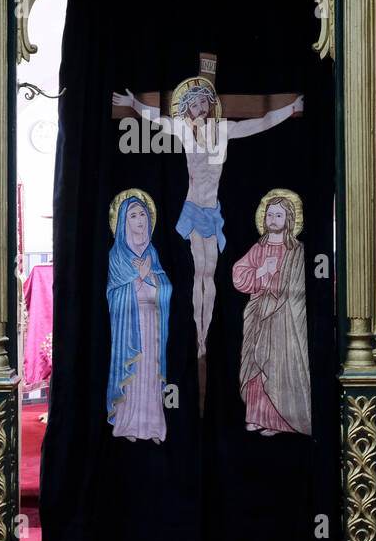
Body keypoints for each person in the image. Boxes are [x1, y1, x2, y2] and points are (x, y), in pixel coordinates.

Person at [111, 80, 303, 359]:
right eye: (194, 103)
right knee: (197, 274)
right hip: (193, 207)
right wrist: (134, 104)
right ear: (186, 108)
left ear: (210, 105)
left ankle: (204, 334)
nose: (200, 107)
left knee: (209, 274)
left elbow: (262, 122)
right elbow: (156, 117)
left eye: (204, 102)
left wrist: (291, 109)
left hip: (211, 212)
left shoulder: (223, 130)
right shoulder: (183, 131)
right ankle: (198, 331)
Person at [232, 191, 311, 436]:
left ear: (289, 219)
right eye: (269, 214)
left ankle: (281, 420)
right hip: (259, 315)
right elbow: (239, 274)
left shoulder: (297, 251)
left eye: (279, 215)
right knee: (256, 364)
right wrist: (260, 272)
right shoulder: (259, 248)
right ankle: (256, 417)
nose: (273, 219)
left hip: (284, 318)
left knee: (279, 366)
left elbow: (300, 286)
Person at [106, 192, 172, 443]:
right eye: (133, 216)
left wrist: (151, 280)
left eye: (143, 214)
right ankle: (129, 425)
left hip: (152, 323)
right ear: (124, 223)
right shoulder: (117, 256)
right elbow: (113, 294)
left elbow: (165, 289)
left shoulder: (152, 254)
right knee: (134, 373)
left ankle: (153, 426)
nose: (140, 220)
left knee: (151, 374)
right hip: (129, 327)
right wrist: (139, 279)